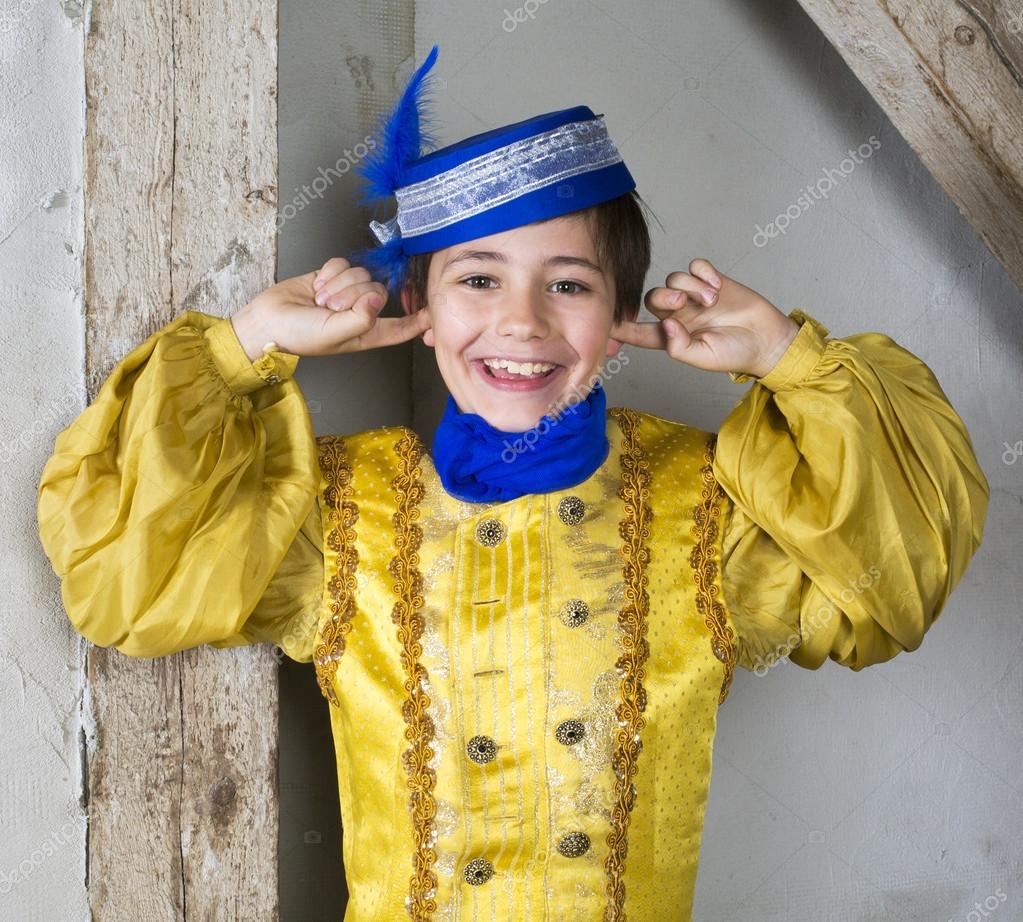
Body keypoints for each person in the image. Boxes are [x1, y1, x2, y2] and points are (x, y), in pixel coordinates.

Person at [36, 44, 989, 922]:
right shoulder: (338, 513)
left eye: (568, 285)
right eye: (477, 280)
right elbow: (126, 581)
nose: (523, 323)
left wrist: (790, 359)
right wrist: (246, 346)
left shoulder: (710, 510)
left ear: (620, 310)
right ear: (416, 304)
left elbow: (893, 582)